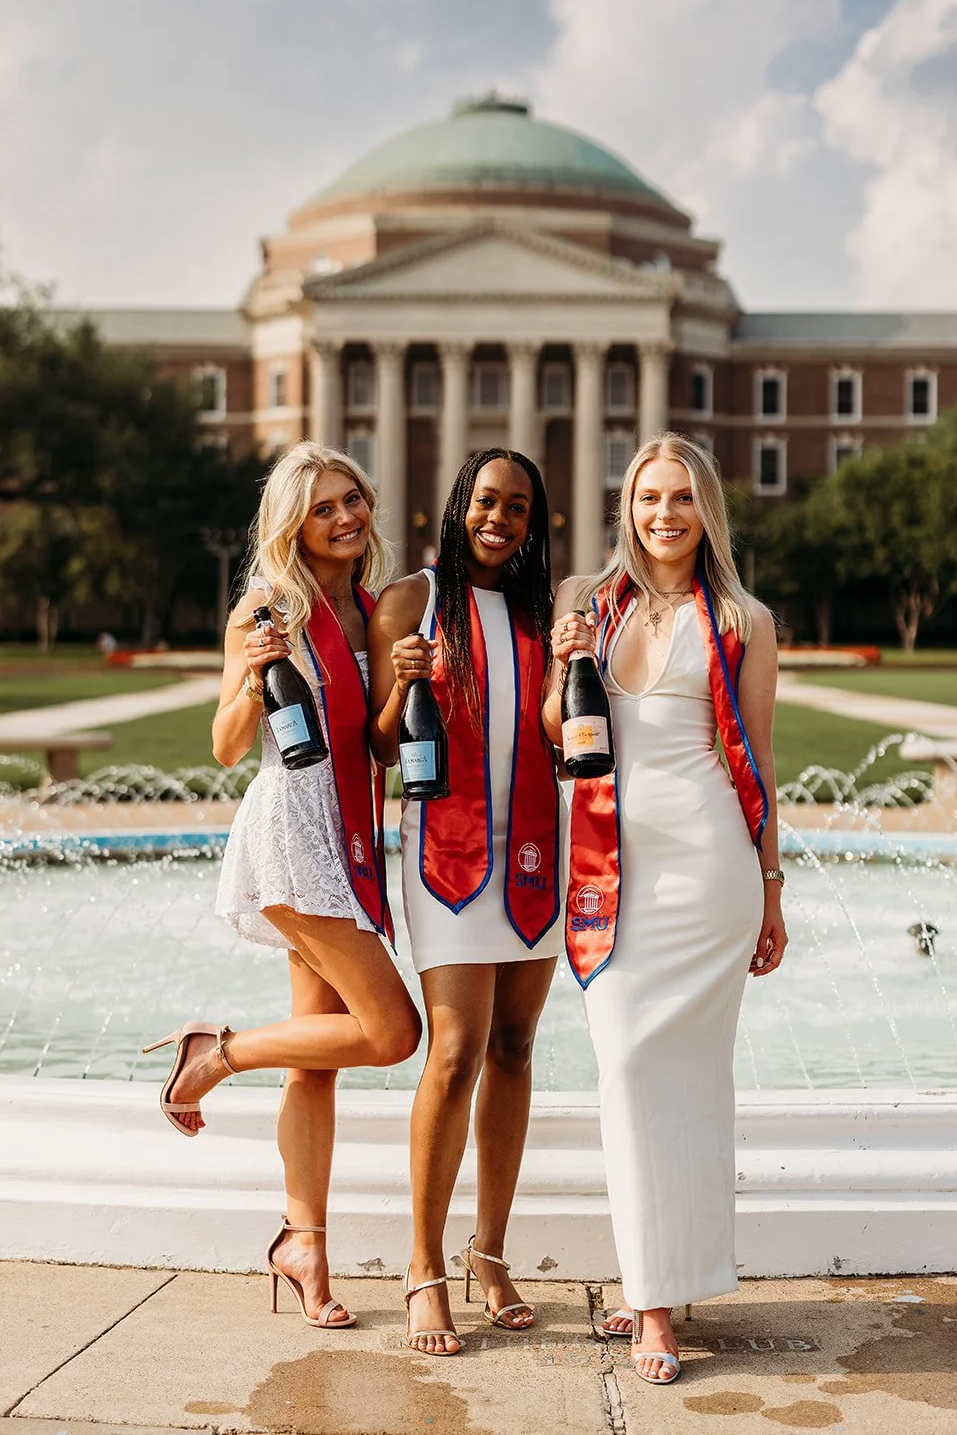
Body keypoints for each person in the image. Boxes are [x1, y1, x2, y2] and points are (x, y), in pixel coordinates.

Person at [141, 441, 421, 1331]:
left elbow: (376, 747)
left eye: (353, 501)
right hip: (294, 833)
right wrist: (258, 674)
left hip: (352, 833)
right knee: (391, 1031)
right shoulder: (267, 607)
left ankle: (303, 1244)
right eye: (324, 507)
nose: (345, 518)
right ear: (293, 522)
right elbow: (225, 746)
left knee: (316, 1061)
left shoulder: (370, 609)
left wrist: (402, 687)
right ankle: (212, 1055)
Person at [543, 432, 787, 1387]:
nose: (664, 514)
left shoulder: (741, 617)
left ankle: (656, 1301)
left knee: (690, 1083)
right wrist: (565, 667)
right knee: (628, 1066)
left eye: (681, 497)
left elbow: (758, 758)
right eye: (649, 497)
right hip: (610, 867)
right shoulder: (582, 603)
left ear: (706, 510)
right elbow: (561, 737)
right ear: (626, 507)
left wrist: (770, 889)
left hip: (710, 874)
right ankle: (655, 1283)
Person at [368, 448, 561, 1356]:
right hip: (446, 851)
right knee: (453, 1053)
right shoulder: (410, 602)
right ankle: (422, 1264)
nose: (499, 519)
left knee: (516, 1047)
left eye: (517, 508)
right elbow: (377, 745)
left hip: (532, 853)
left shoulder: (543, 610)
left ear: (534, 522)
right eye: (487, 501)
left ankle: (489, 1252)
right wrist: (403, 680)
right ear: (459, 504)